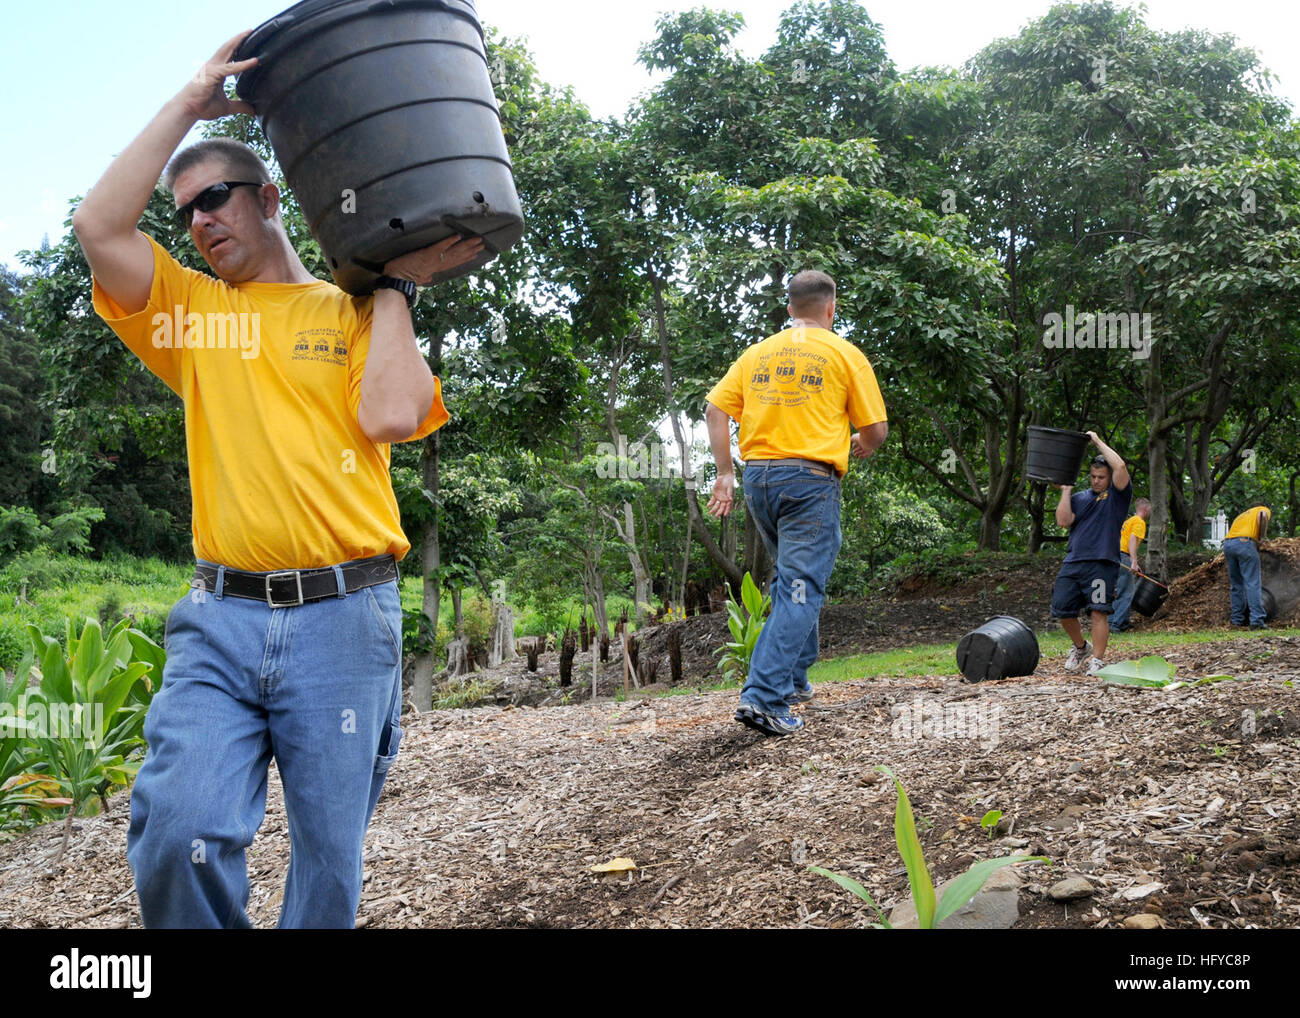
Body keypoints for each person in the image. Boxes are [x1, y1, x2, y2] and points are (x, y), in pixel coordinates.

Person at [72, 33, 484, 928]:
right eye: (185, 212)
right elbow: (98, 229)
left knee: (329, 864)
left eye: (215, 198)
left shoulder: (350, 309)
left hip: (345, 615)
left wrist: (395, 285)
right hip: (220, 620)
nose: (199, 223)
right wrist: (190, 101)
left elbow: (389, 417)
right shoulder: (190, 315)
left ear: (267, 198)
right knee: (176, 829)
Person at [704, 270, 888, 736]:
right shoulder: (846, 354)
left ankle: (795, 678)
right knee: (800, 585)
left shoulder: (758, 353)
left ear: (790, 309)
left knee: (794, 582)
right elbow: (877, 431)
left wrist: (725, 473)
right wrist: (862, 444)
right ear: (831, 308)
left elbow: (715, 410)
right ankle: (764, 698)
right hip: (808, 481)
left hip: (760, 480)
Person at [1049, 434, 1133, 675]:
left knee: (1098, 611)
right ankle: (1080, 647)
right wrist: (1066, 490)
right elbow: (1063, 521)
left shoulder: (1118, 496)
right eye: (1093, 477)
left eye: (1101, 477)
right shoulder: (1080, 498)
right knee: (1062, 610)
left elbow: (1120, 466)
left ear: (1109, 478)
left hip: (1101, 563)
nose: (1096, 481)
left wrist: (1096, 441)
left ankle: (1097, 659)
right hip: (1073, 561)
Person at [1224, 504, 1271, 629]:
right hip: (1244, 543)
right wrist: (1261, 538)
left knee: (1236, 584)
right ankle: (1257, 621)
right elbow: (1263, 515)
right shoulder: (1262, 509)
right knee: (1252, 583)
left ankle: (1236, 620)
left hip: (1228, 544)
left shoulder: (1242, 516)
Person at [1110, 497, 1152, 632]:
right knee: (1127, 592)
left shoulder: (1129, 521)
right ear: (1145, 509)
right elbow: (1132, 540)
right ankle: (1116, 624)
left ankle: (1119, 621)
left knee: (1121, 590)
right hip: (1124, 556)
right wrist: (1133, 561)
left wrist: (1134, 561)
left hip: (1116, 556)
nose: (1150, 512)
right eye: (1149, 510)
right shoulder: (1140, 522)